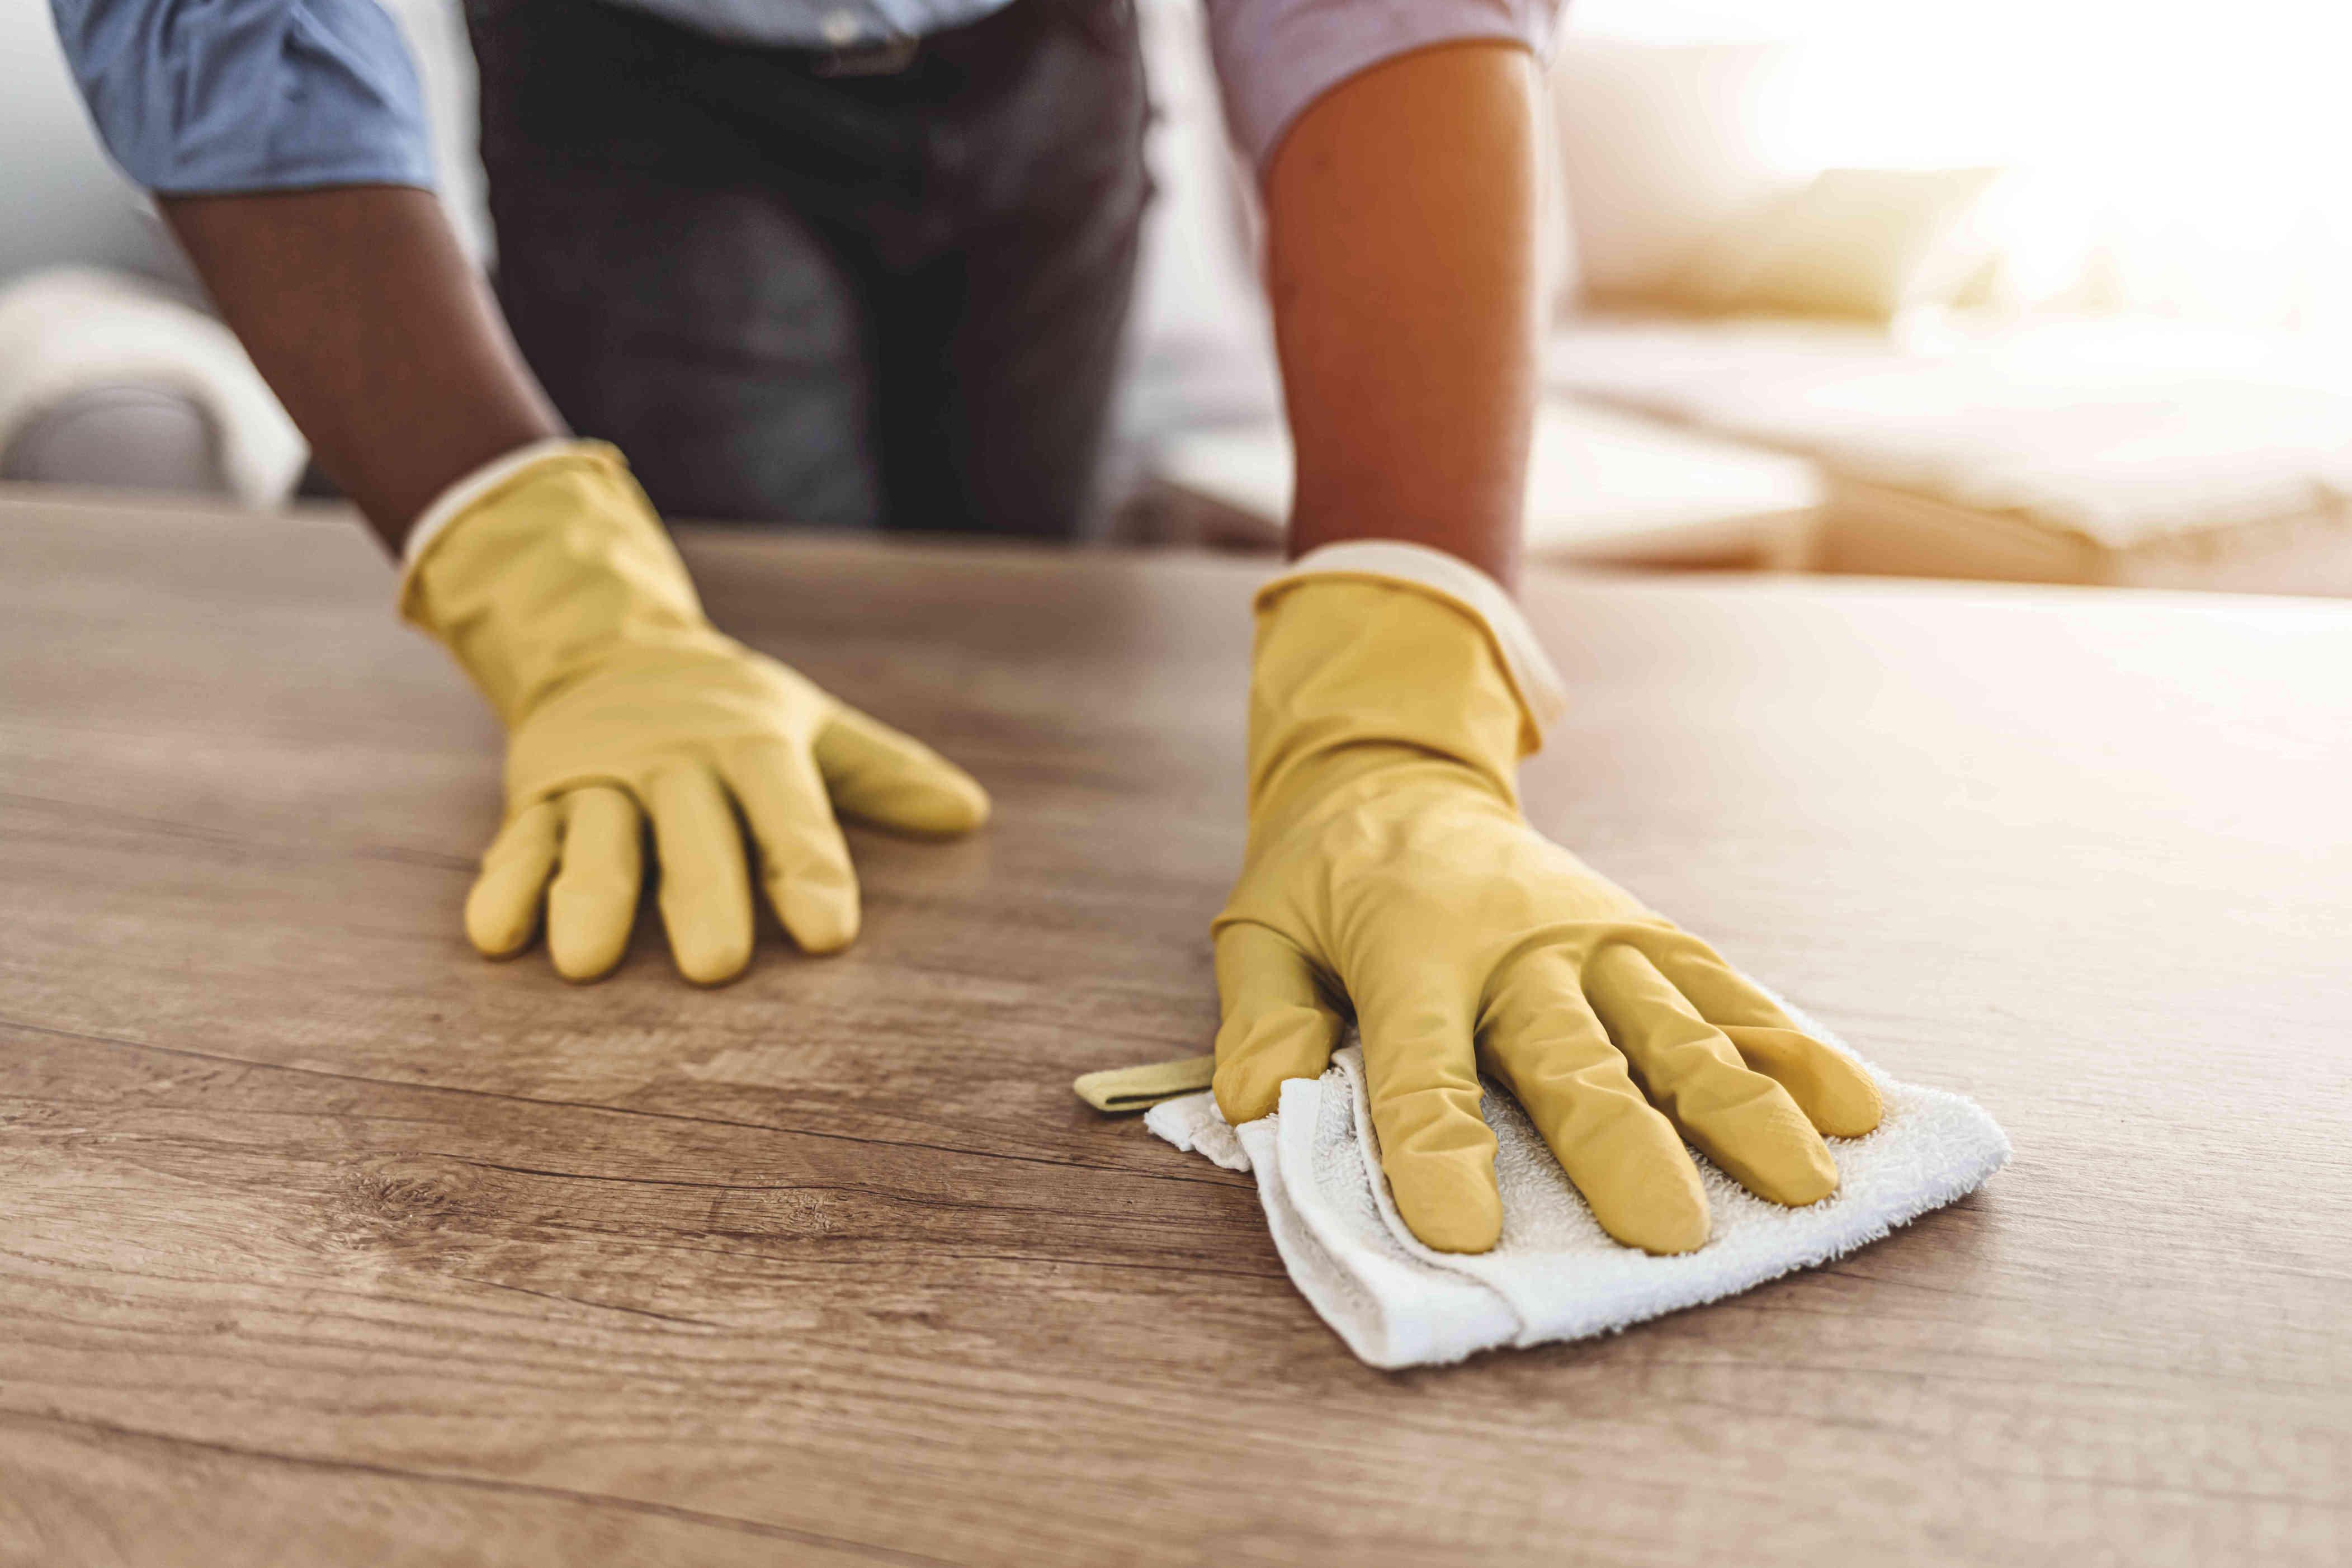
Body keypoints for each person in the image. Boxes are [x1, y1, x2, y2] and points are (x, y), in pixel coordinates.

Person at [50, 0, 1882, 1260]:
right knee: (741, 748)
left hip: (1044, 56)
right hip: (639, 72)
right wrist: (552, 596)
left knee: (1015, 656)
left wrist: (1399, 705)